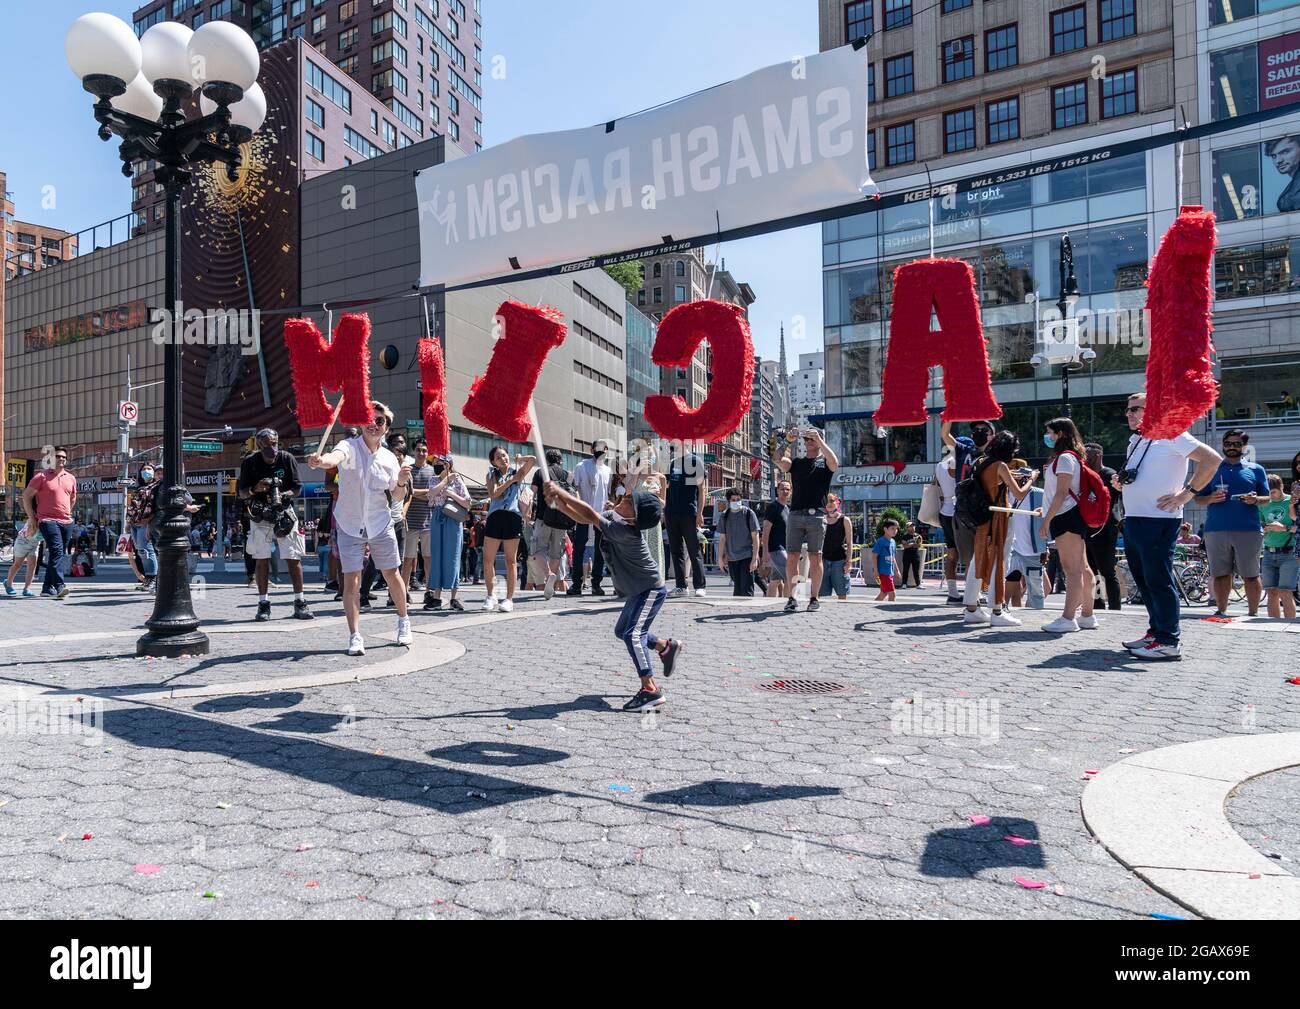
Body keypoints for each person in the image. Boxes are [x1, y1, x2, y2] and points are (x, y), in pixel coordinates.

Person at [543, 479, 682, 712]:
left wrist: (559, 493)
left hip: (650, 590)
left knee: (633, 635)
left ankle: (650, 690)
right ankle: (665, 647)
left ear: (634, 519)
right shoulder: (616, 517)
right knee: (623, 632)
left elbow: (589, 513)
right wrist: (558, 504)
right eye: (627, 497)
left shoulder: (624, 531)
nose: (624, 500)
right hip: (638, 591)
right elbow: (585, 518)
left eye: (630, 502)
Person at [1114, 392, 1222, 659]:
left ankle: (1168, 640)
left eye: (1135, 409)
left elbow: (1212, 460)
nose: (1129, 414)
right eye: (1128, 410)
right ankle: (1156, 632)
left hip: (1159, 520)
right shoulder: (1138, 441)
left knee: (1158, 579)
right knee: (1144, 579)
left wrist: (1185, 495)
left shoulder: (1172, 433)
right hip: (1136, 518)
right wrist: (1121, 482)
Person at [307, 401, 413, 655]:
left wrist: (400, 481)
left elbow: (397, 496)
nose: (374, 424)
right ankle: (355, 635)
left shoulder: (389, 458)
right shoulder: (348, 447)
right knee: (351, 580)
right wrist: (321, 461)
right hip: (349, 523)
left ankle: (404, 621)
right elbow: (335, 457)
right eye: (370, 419)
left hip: (380, 523)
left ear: (386, 428)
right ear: (361, 422)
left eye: (380, 421)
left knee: (392, 574)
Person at [963, 431, 1038, 626]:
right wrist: (1032, 478)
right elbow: (1019, 494)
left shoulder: (981, 461)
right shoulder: (1001, 466)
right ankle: (997, 610)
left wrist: (1010, 475)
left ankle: (971, 608)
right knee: (1000, 562)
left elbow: (991, 479)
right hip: (999, 519)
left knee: (977, 560)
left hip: (982, 518)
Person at [237, 428, 312, 621]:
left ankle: (300, 602)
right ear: (259, 445)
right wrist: (256, 489)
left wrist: (281, 493)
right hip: (260, 515)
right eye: (267, 443)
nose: (272, 447)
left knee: (293, 557)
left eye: (275, 442)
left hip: (284, 513)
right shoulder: (250, 462)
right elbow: (242, 493)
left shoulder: (286, 458)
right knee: (261, 559)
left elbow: (296, 488)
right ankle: (263, 604)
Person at [1196, 429, 1268, 618]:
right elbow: (1198, 499)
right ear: (1223, 445)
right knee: (1220, 574)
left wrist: (1255, 499)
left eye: (1236, 444)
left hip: (1249, 530)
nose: (1231, 447)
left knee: (1251, 574)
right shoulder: (1212, 468)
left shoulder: (1256, 470)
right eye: (1228, 444)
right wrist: (1211, 497)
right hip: (1215, 530)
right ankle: (1221, 611)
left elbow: (1267, 498)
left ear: (1244, 446)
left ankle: (1253, 614)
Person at [1038, 419, 1099, 633]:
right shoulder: (1072, 457)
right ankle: (1087, 615)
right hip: (1069, 515)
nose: (1047, 437)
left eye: (1050, 433)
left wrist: (1046, 521)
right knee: (1082, 568)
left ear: (1060, 434)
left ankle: (1068, 618)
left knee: (1071, 570)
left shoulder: (1064, 458)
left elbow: (1061, 492)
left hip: (1065, 517)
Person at [774, 426, 839, 613]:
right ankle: (792, 598)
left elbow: (834, 462)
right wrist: (787, 440)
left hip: (817, 515)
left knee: (815, 556)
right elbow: (777, 459)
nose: (808, 442)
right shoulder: (797, 463)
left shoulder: (825, 463)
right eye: (807, 439)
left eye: (812, 439)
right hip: (795, 514)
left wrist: (819, 439)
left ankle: (814, 597)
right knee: (792, 557)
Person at [941, 420, 994, 603]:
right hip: (964, 510)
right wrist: (948, 418)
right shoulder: (963, 450)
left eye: (983, 430)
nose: (978, 432)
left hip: (984, 510)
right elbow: (946, 436)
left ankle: (980, 593)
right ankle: (973, 595)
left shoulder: (994, 454)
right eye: (975, 430)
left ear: (992, 435)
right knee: (969, 557)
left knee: (985, 555)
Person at [360, 431, 412, 610]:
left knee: (399, 561)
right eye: (396, 450)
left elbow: (407, 496)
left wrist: (403, 513)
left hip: (399, 522)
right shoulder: (383, 467)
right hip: (383, 522)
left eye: (402, 451)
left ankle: (394, 597)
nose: (399, 454)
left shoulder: (405, 473)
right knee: (376, 562)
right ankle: (363, 595)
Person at [482, 446, 535, 612]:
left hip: (513, 516)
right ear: (493, 462)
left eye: (504, 455)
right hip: (495, 517)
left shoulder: (517, 471)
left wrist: (520, 459)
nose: (503, 459)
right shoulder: (492, 474)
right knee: (488, 559)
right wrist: (511, 481)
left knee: (510, 560)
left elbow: (533, 459)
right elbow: (493, 494)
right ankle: (491, 595)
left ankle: (509, 599)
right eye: (498, 457)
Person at [21, 447, 77, 600]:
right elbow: (26, 496)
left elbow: (72, 498)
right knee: (57, 551)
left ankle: (47, 587)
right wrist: (32, 518)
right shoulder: (41, 477)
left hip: (66, 521)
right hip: (47, 520)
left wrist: (67, 514)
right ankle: (59, 585)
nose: (61, 459)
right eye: (58, 456)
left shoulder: (70, 478)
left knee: (56, 553)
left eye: (64, 457)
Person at [425, 453, 472, 611]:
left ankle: (454, 597)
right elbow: (431, 494)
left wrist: (451, 493)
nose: (438, 464)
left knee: (453, 556)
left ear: (449, 464)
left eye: (441, 462)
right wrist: (446, 480)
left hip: (453, 517)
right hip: (437, 517)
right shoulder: (433, 479)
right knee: (437, 555)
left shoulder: (458, 480)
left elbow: (467, 502)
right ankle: (436, 598)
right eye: (436, 462)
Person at [567, 440, 612, 596]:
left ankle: (596, 584)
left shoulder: (608, 470)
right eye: (598, 448)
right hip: (583, 515)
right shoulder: (581, 466)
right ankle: (577, 584)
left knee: (600, 551)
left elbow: (607, 492)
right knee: (579, 549)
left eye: (604, 448)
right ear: (591, 449)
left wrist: (609, 504)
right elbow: (574, 488)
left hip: (601, 516)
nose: (601, 450)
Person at [663, 444, 708, 597]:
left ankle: (700, 586)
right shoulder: (673, 463)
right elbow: (667, 488)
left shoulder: (695, 461)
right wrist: (664, 510)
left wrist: (700, 513)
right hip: (671, 512)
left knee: (694, 550)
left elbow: (702, 489)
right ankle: (681, 586)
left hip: (689, 512)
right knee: (676, 551)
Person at [1084, 442, 1123, 611]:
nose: (1085, 459)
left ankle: (1115, 608)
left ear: (1098, 455)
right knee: (1092, 570)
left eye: (1088, 456)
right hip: (1088, 528)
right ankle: (1097, 604)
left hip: (1105, 529)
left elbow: (1119, 497)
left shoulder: (1109, 474)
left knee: (1107, 571)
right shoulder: (1085, 474)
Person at [531, 448, 573, 599]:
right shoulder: (568, 475)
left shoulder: (540, 472)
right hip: (562, 518)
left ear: (547, 460)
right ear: (561, 460)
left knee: (538, 549)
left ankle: (549, 575)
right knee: (556, 553)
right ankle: (552, 577)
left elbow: (532, 493)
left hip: (544, 517)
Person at [1005, 460, 1046, 610]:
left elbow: (1047, 520)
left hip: (1032, 548)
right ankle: (1000, 609)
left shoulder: (1039, 494)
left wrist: (1045, 547)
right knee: (1006, 581)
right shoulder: (1004, 493)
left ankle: (1036, 613)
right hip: (1010, 547)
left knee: (1036, 587)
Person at [401, 438, 436, 603]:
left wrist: (417, 492)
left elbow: (433, 494)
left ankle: (429, 591)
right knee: (408, 559)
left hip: (429, 522)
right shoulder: (408, 471)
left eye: (424, 450)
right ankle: (403, 591)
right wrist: (426, 492)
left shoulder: (433, 471)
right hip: (411, 522)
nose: (422, 453)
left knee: (428, 559)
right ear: (413, 451)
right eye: (419, 450)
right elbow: (407, 492)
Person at [1258, 474, 1296, 620]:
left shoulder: (1291, 501)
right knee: (1271, 592)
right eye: (1268, 493)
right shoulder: (1264, 504)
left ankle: (1289, 624)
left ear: (1281, 487)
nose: (1270, 496)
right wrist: (1263, 528)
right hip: (1268, 552)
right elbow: (1260, 523)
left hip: (1288, 553)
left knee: (1285, 592)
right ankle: (1273, 626)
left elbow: (1297, 527)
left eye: (1273, 492)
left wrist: (1284, 528)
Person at [717, 488, 760, 597]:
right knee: (737, 589)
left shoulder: (749, 514)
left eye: (738, 499)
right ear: (729, 501)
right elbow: (722, 538)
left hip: (747, 555)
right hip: (732, 557)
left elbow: (755, 537)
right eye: (733, 500)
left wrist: (755, 558)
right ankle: (737, 610)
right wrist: (720, 558)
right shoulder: (724, 516)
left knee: (747, 589)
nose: (736, 502)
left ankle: (748, 611)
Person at [760, 480, 791, 599]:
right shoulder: (773, 507)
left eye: (788, 489)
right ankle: (790, 601)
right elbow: (766, 530)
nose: (785, 491)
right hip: (776, 549)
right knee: (790, 576)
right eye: (782, 489)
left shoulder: (788, 508)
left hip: (785, 548)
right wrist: (765, 552)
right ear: (777, 491)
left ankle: (768, 603)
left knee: (775, 580)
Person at [821, 495, 853, 599]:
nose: (829, 503)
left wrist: (848, 562)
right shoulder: (821, 519)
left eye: (832, 501)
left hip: (839, 561)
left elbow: (849, 543)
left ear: (837, 503)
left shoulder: (845, 520)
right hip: (822, 560)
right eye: (827, 501)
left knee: (842, 593)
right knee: (819, 594)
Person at [4, 520, 41, 597]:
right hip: (23, 541)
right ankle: (8, 584)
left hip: (34, 544)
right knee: (17, 564)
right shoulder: (34, 518)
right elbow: (31, 533)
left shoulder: (51, 521)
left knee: (32, 565)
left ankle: (27, 588)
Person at [873, 518, 898, 601]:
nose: (895, 531)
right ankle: (891, 610)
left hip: (890, 571)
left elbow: (893, 557)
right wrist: (876, 571)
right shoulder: (880, 542)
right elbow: (874, 555)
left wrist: (897, 570)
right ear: (885, 529)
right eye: (892, 529)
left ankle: (870, 606)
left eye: (896, 529)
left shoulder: (893, 542)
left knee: (884, 593)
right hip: (883, 572)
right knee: (892, 594)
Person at [897, 521, 921, 589]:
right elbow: (905, 546)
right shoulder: (905, 536)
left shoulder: (917, 536)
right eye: (911, 526)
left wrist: (912, 544)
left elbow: (919, 545)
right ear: (907, 528)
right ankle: (904, 584)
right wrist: (913, 544)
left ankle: (918, 584)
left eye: (913, 526)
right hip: (907, 554)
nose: (912, 527)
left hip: (915, 554)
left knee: (916, 570)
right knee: (906, 569)